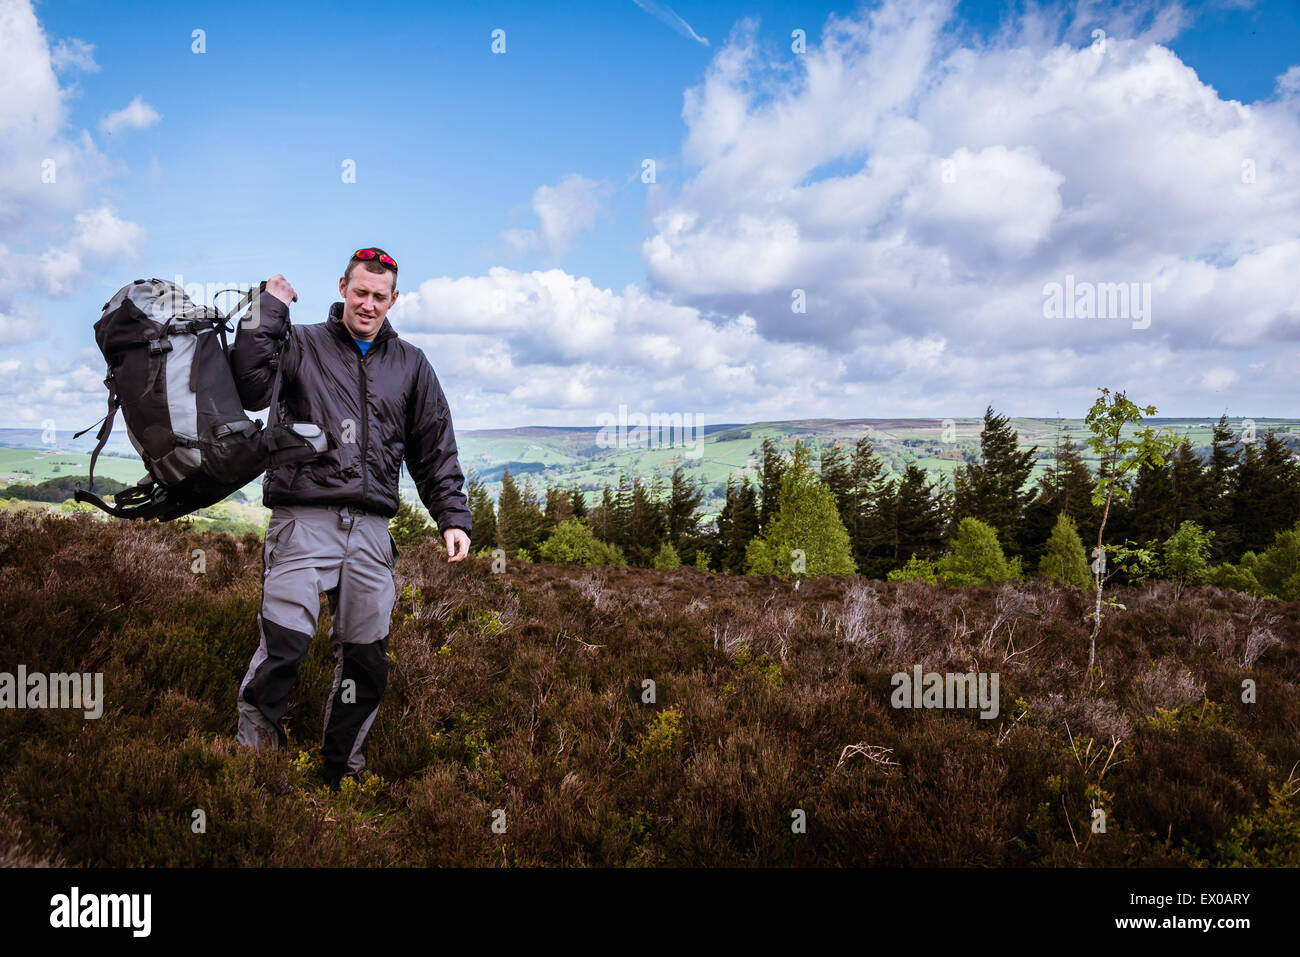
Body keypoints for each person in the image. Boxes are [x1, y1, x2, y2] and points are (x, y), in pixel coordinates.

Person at [231, 247, 471, 789]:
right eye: (359, 292)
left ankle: (341, 773)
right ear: (343, 286)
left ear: (394, 299)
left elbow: (434, 447)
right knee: (284, 647)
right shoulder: (301, 342)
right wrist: (269, 307)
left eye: (379, 296)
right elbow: (248, 384)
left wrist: (452, 516)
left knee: (365, 661)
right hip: (302, 519)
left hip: (371, 533)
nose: (368, 304)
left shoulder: (411, 363)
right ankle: (254, 769)